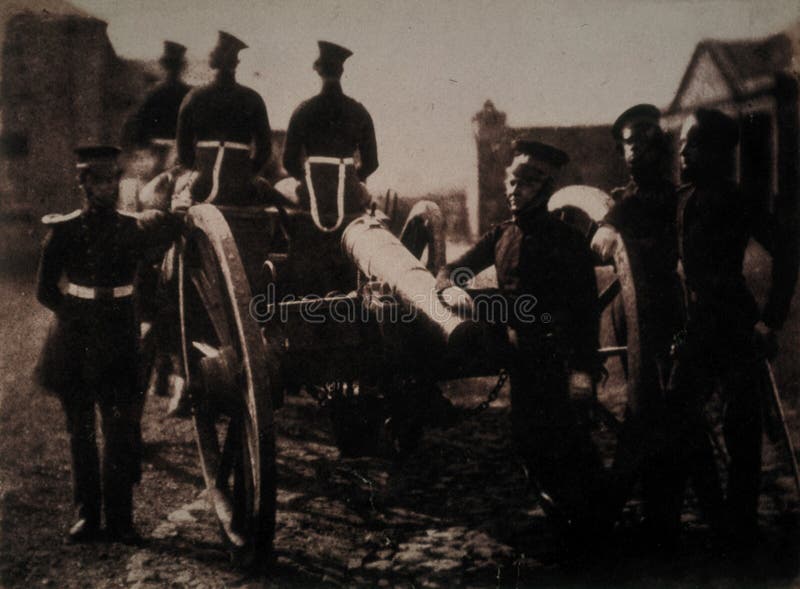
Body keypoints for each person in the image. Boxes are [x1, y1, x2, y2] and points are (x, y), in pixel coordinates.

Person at [436, 138, 612, 548]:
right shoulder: (502, 235)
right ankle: (566, 522)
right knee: (529, 439)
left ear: (545, 187)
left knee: (569, 443)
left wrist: (584, 371)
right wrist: (450, 290)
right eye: (512, 183)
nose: (515, 191)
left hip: (559, 357)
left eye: (526, 183)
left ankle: (592, 529)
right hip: (520, 355)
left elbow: (587, 312)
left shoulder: (568, 241)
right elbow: (453, 269)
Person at [35, 145, 180, 544]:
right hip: (75, 339)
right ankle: (86, 516)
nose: (108, 187)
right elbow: (45, 290)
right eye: (98, 180)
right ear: (83, 184)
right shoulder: (63, 230)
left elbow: (153, 269)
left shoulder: (132, 227)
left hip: (119, 335)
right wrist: (76, 314)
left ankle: (120, 519)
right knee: (79, 431)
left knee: (119, 430)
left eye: (113, 178)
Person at [668, 108, 798, 549]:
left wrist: (770, 320)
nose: (683, 150)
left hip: (737, 325)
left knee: (740, 427)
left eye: (693, 142)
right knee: (679, 417)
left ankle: (741, 526)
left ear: (718, 153)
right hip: (699, 327)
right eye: (683, 141)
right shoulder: (682, 200)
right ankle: (717, 515)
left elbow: (788, 253)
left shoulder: (739, 199)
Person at [590, 104, 682, 541]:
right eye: (628, 143)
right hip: (631, 316)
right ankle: (656, 513)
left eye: (644, 141)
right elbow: (605, 231)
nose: (636, 151)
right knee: (648, 404)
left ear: (658, 145)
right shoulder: (624, 202)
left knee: (662, 410)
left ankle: (631, 510)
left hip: (673, 314)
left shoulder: (676, 198)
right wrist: (607, 229)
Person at [282, 40, 378, 233]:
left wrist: (308, 179)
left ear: (319, 71)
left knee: (279, 187)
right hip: (349, 195)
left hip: (311, 194)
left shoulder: (303, 110)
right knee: (369, 196)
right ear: (341, 72)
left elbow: (289, 161)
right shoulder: (359, 111)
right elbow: (372, 162)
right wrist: (352, 178)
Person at [175, 31, 272, 205]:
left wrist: (199, 169)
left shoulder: (194, 96)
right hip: (239, 187)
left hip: (200, 185)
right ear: (237, 63)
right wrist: (246, 173)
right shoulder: (253, 98)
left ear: (214, 61)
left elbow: (183, 151)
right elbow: (264, 150)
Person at [122, 40, 192, 174]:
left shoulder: (154, 93)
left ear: (164, 65)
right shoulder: (189, 93)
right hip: (174, 153)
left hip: (160, 153)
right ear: (182, 66)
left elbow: (140, 126)